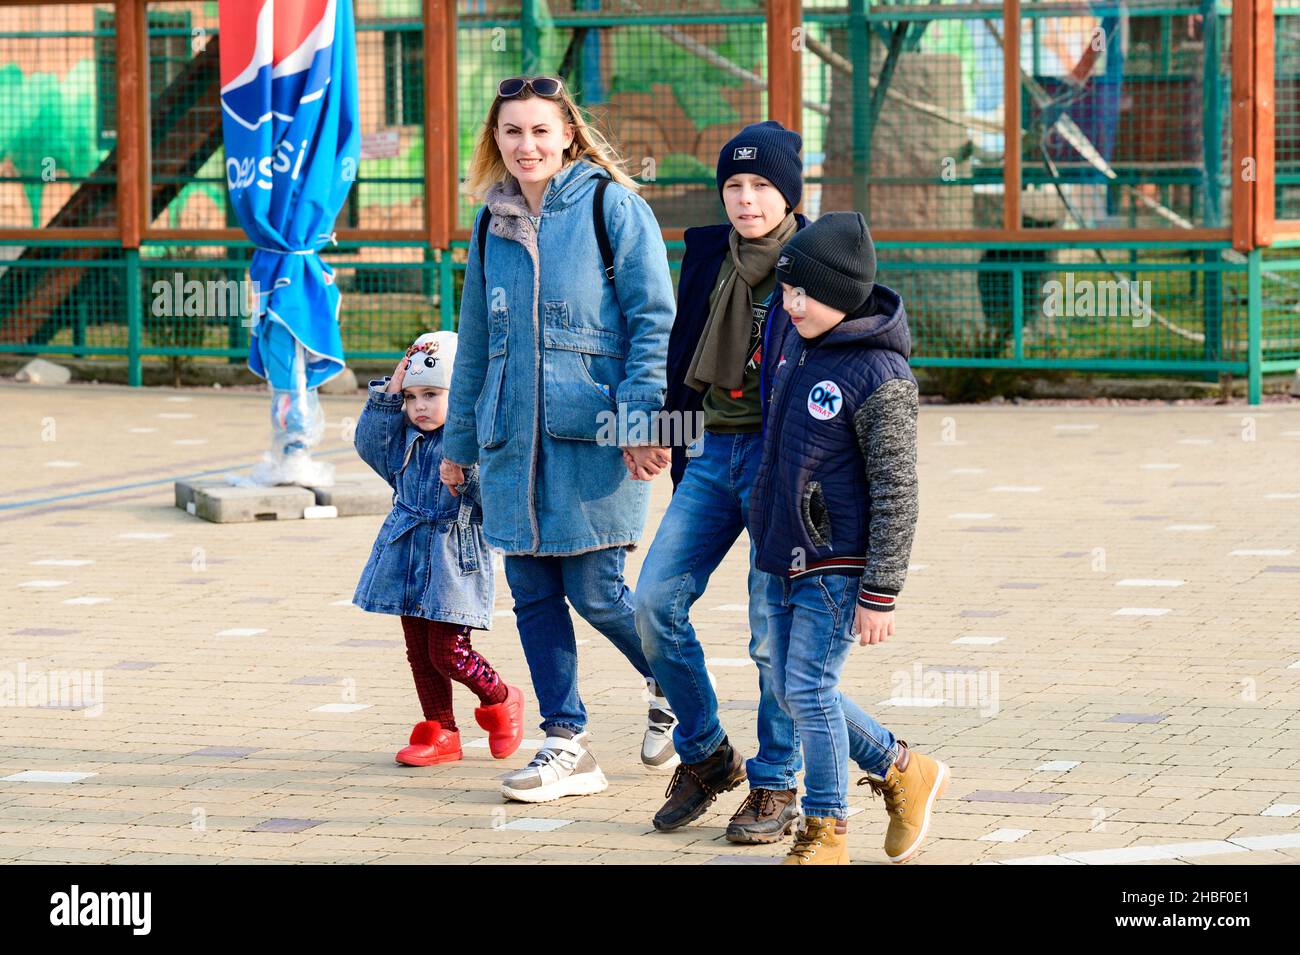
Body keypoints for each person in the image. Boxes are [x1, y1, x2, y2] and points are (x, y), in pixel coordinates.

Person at [440, 75, 678, 803]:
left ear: (568, 133)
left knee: (598, 589)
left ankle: (675, 679)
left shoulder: (613, 208)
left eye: (541, 130)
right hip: (512, 443)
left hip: (596, 437)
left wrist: (644, 425)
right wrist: (459, 443)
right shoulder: (491, 223)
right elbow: (476, 341)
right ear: (497, 141)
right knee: (533, 591)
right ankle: (565, 741)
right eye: (513, 132)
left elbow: (653, 324)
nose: (527, 145)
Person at [752, 212, 949, 864]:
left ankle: (826, 830)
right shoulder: (802, 347)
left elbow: (898, 490)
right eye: (786, 291)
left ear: (844, 290)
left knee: (807, 688)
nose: (791, 304)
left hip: (840, 563)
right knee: (792, 688)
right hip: (787, 558)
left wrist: (881, 590)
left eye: (805, 292)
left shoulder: (880, 375)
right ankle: (903, 768)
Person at [635, 120, 810, 843]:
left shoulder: (819, 257)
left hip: (780, 460)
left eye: (762, 185)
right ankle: (706, 753)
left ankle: (775, 784)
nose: (745, 199)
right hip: (709, 454)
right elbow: (682, 360)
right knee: (654, 602)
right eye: (734, 185)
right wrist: (662, 433)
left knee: (771, 634)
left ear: (790, 193)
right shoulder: (708, 253)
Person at [353, 331, 526, 767]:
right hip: (407, 551)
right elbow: (369, 444)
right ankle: (442, 730)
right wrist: (392, 389)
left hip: (454, 558)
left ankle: (501, 697)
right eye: (411, 398)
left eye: (431, 394)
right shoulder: (405, 441)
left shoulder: (479, 442)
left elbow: (498, 499)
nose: (420, 407)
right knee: (419, 652)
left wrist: (464, 477)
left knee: (448, 651)